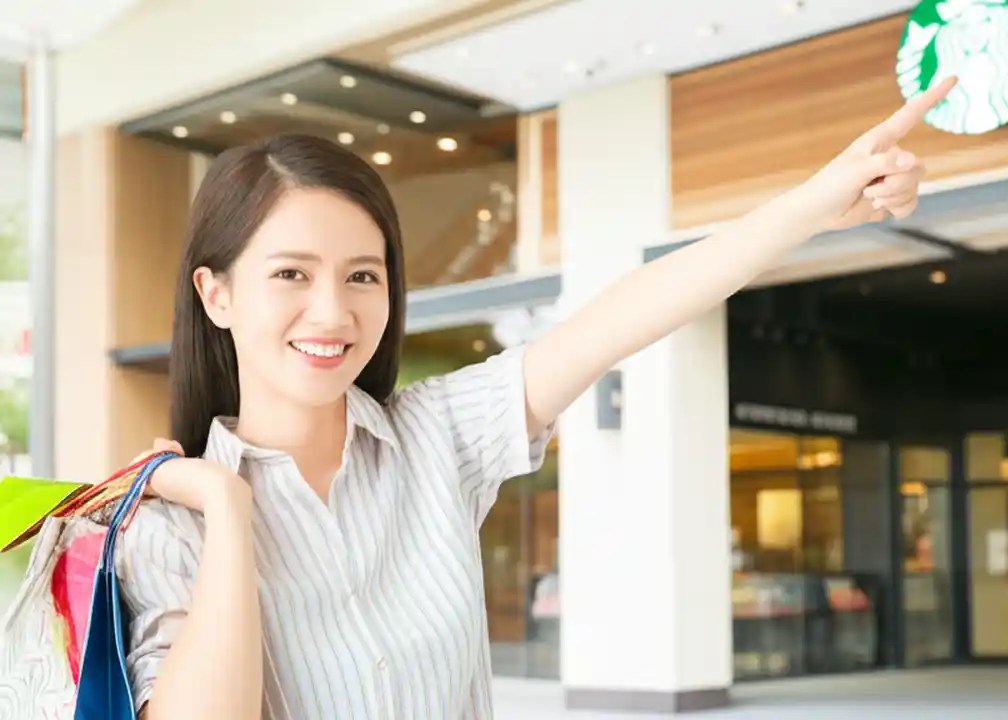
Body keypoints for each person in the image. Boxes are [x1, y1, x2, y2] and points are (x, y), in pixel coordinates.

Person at [119, 77, 956, 720]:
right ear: (216, 294)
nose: (333, 312)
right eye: (291, 274)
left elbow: (625, 313)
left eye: (362, 276)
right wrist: (226, 508)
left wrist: (816, 203)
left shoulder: (434, 440)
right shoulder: (166, 529)